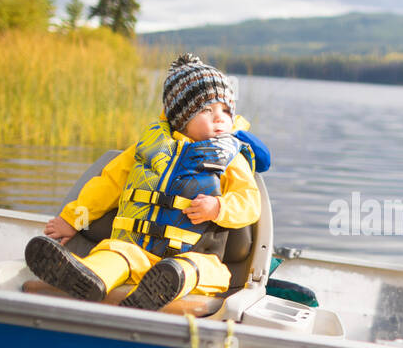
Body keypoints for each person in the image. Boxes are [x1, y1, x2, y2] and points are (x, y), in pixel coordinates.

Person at [25, 54, 265, 310]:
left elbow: (249, 202)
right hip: (136, 249)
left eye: (226, 110)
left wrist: (219, 208)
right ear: (181, 116)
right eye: (207, 110)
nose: (220, 118)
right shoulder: (147, 149)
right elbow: (107, 185)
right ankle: (86, 277)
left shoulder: (230, 158)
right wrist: (73, 220)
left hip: (197, 257)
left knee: (192, 270)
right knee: (115, 254)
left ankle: (161, 288)